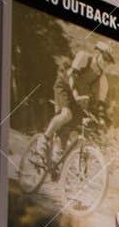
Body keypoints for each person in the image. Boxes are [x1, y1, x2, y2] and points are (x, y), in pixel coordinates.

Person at [37, 42, 113, 178]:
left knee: (71, 132)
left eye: (109, 61)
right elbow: (72, 76)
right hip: (65, 87)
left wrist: (102, 119)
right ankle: (44, 138)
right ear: (97, 53)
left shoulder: (103, 80)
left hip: (78, 100)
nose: (107, 63)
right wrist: (76, 94)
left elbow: (100, 104)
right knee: (66, 114)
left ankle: (55, 161)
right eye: (105, 58)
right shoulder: (84, 57)